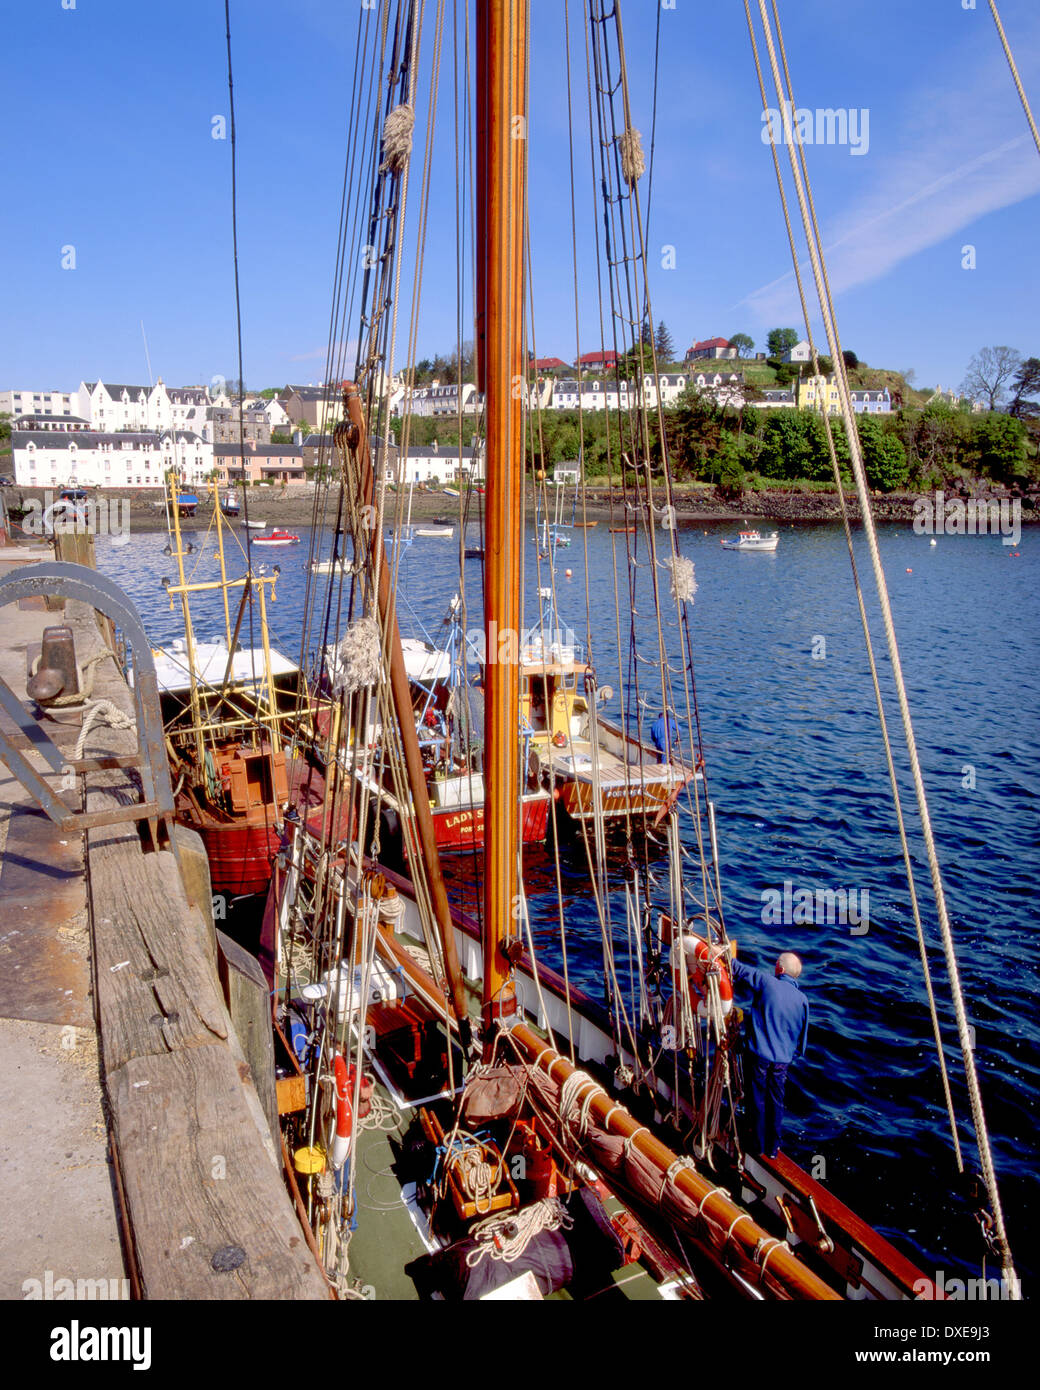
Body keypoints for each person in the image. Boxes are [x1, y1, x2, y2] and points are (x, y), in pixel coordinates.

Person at [728, 949, 809, 1159]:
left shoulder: (767, 982)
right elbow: (803, 1036)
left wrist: (723, 953)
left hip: (759, 1056)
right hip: (783, 1060)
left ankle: (755, 1146)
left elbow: (738, 969)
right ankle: (772, 1149)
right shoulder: (802, 1000)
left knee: (756, 1099)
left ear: (780, 968)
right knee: (776, 1102)